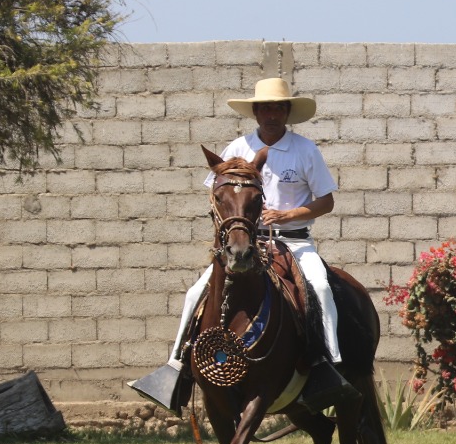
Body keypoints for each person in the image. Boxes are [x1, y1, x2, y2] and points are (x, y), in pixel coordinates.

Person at [128, 76, 358, 413]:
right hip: (246, 242)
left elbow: (326, 202)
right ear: (256, 112)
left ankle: (327, 367)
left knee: (320, 288)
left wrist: (288, 214)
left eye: (278, 108)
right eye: (265, 108)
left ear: (287, 112)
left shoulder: (305, 150)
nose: (271, 114)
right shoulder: (237, 148)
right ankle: (176, 369)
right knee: (195, 293)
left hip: (293, 242)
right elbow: (217, 195)